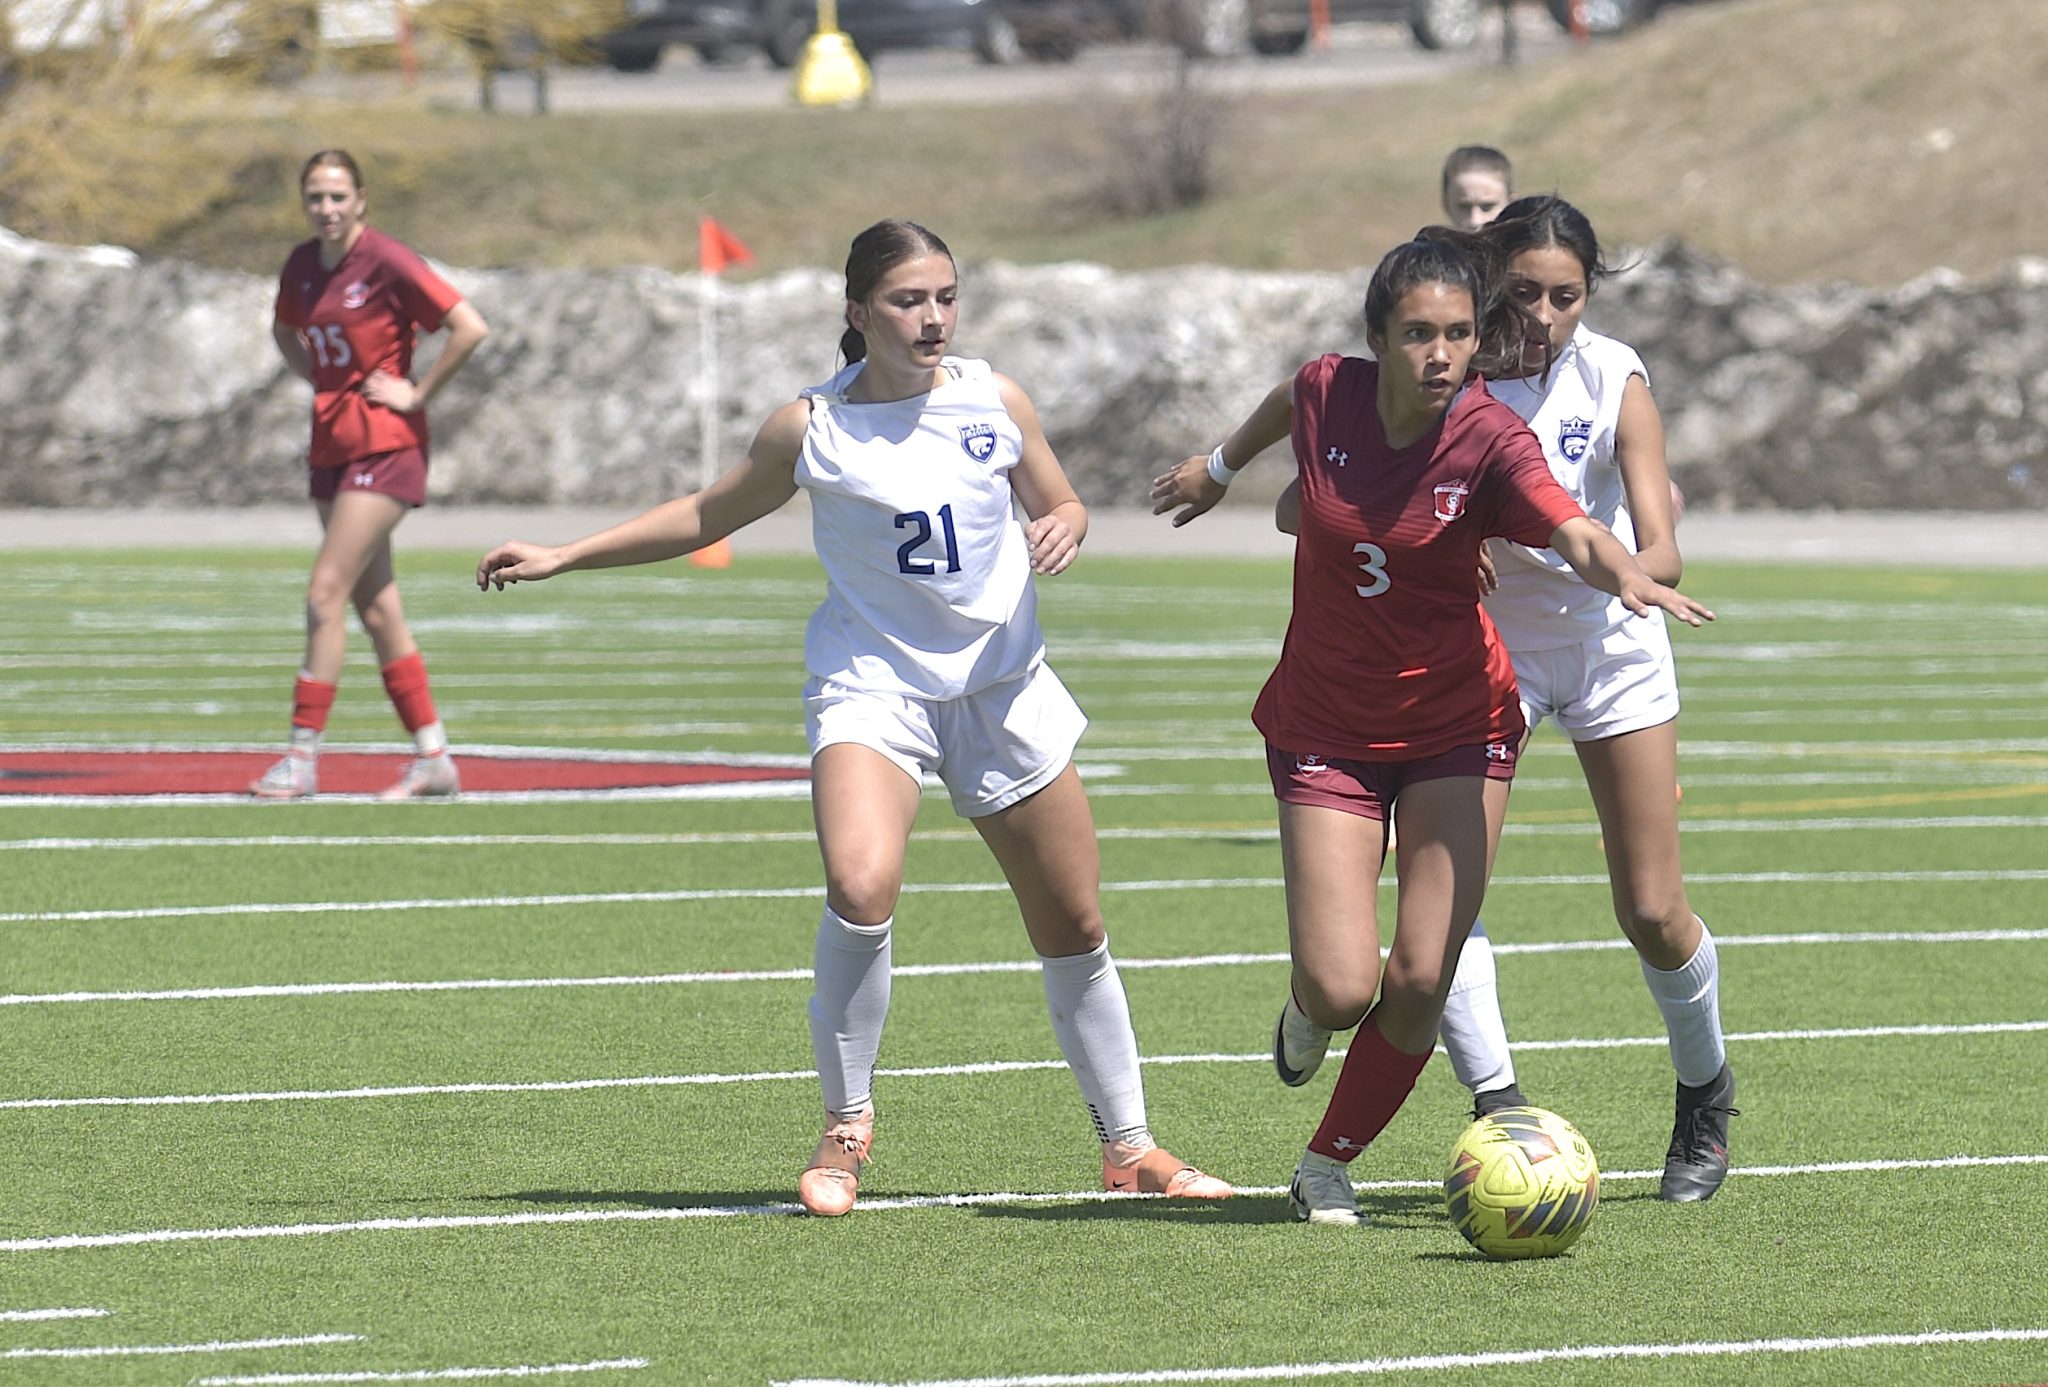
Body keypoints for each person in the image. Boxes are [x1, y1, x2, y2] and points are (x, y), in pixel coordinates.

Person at [478, 219, 1233, 1218]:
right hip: (872, 685)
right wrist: (567, 553)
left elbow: (1062, 501)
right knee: (859, 880)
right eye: (908, 300)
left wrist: (1063, 521)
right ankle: (845, 1129)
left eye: (945, 297)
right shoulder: (811, 426)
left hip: (1001, 687)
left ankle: (1129, 1146)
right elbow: (709, 512)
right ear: (856, 312)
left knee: (1073, 922)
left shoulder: (993, 399)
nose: (932, 319)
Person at [1149, 226, 1712, 1227]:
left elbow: (1564, 520)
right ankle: (1307, 1010)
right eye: (1417, 333)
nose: (1441, 353)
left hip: (1456, 722)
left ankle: (1325, 1162)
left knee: (1419, 973)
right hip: (1326, 721)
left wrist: (1621, 565)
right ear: (1377, 338)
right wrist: (1219, 467)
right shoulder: (1328, 389)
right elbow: (1285, 400)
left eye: (1455, 333)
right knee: (1336, 985)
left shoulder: (1490, 434)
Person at [1427, 195, 1735, 1201]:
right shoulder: (1448, 370)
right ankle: (1498, 1108)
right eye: (1525, 293)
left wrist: (1632, 573)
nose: (1547, 315)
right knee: (1446, 896)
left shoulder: (1613, 377)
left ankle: (1703, 1092)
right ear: (1491, 279)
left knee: (1650, 906)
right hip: (1487, 649)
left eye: (1566, 296)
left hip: (1612, 641)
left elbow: (1661, 538)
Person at [254, 149, 489, 801]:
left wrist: (418, 394)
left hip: (387, 445)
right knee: (377, 607)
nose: (326, 208)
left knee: (324, 594)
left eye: (337, 196)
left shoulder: (386, 259)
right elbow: (283, 330)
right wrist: (316, 378)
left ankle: (301, 757)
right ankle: (435, 758)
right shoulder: (302, 264)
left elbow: (469, 327)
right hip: (330, 443)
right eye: (315, 197)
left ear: (361, 199)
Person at [1439, 145, 1514, 233]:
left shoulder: (1529, 245)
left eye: (1487, 206)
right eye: (1464, 207)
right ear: (1446, 205)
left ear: (1511, 204)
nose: (1475, 221)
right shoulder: (1428, 246)